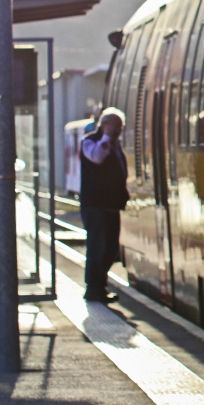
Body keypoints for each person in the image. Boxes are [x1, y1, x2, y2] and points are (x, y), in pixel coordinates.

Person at [79, 107, 129, 303]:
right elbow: (97, 157)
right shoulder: (90, 142)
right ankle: (94, 289)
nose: (118, 131)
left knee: (110, 248)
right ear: (105, 125)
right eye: (115, 127)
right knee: (98, 248)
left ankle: (100, 286)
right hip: (96, 206)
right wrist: (107, 137)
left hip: (111, 206)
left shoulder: (115, 146)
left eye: (120, 128)